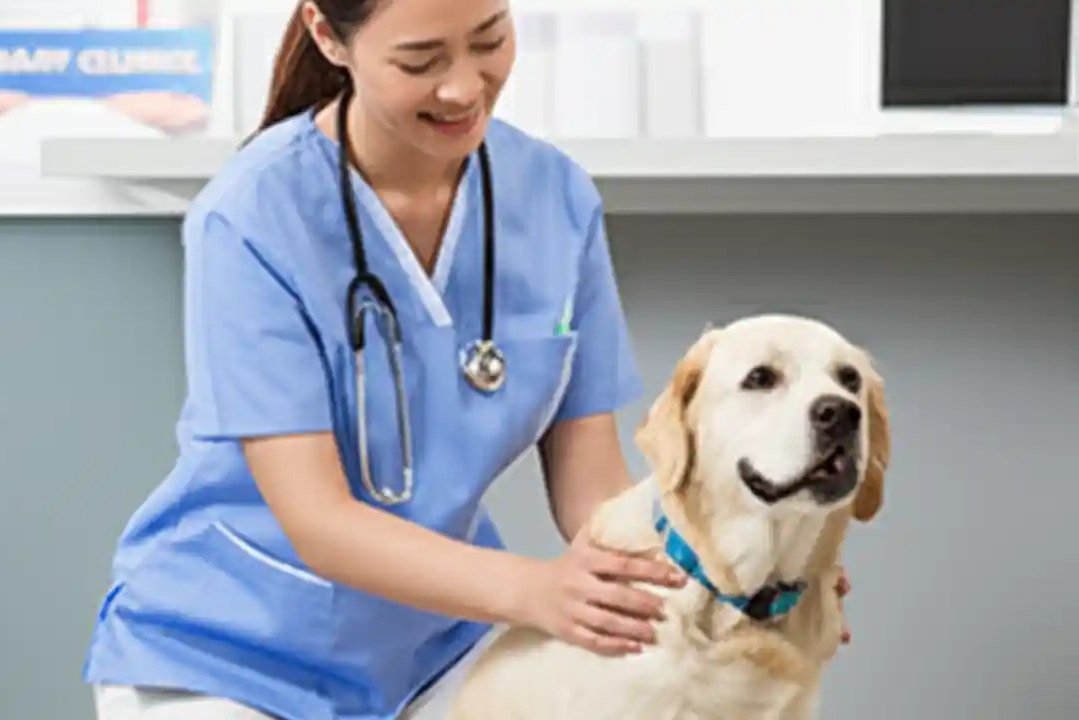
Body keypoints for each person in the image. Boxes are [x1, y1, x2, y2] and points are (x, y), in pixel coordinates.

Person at [82, 0, 850, 718]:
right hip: (226, 656)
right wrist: (535, 590)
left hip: (435, 647)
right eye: (420, 61)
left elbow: (593, 495)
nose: (463, 87)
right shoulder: (251, 216)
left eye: (489, 40)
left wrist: (740, 572)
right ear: (327, 35)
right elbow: (318, 521)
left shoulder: (553, 198)